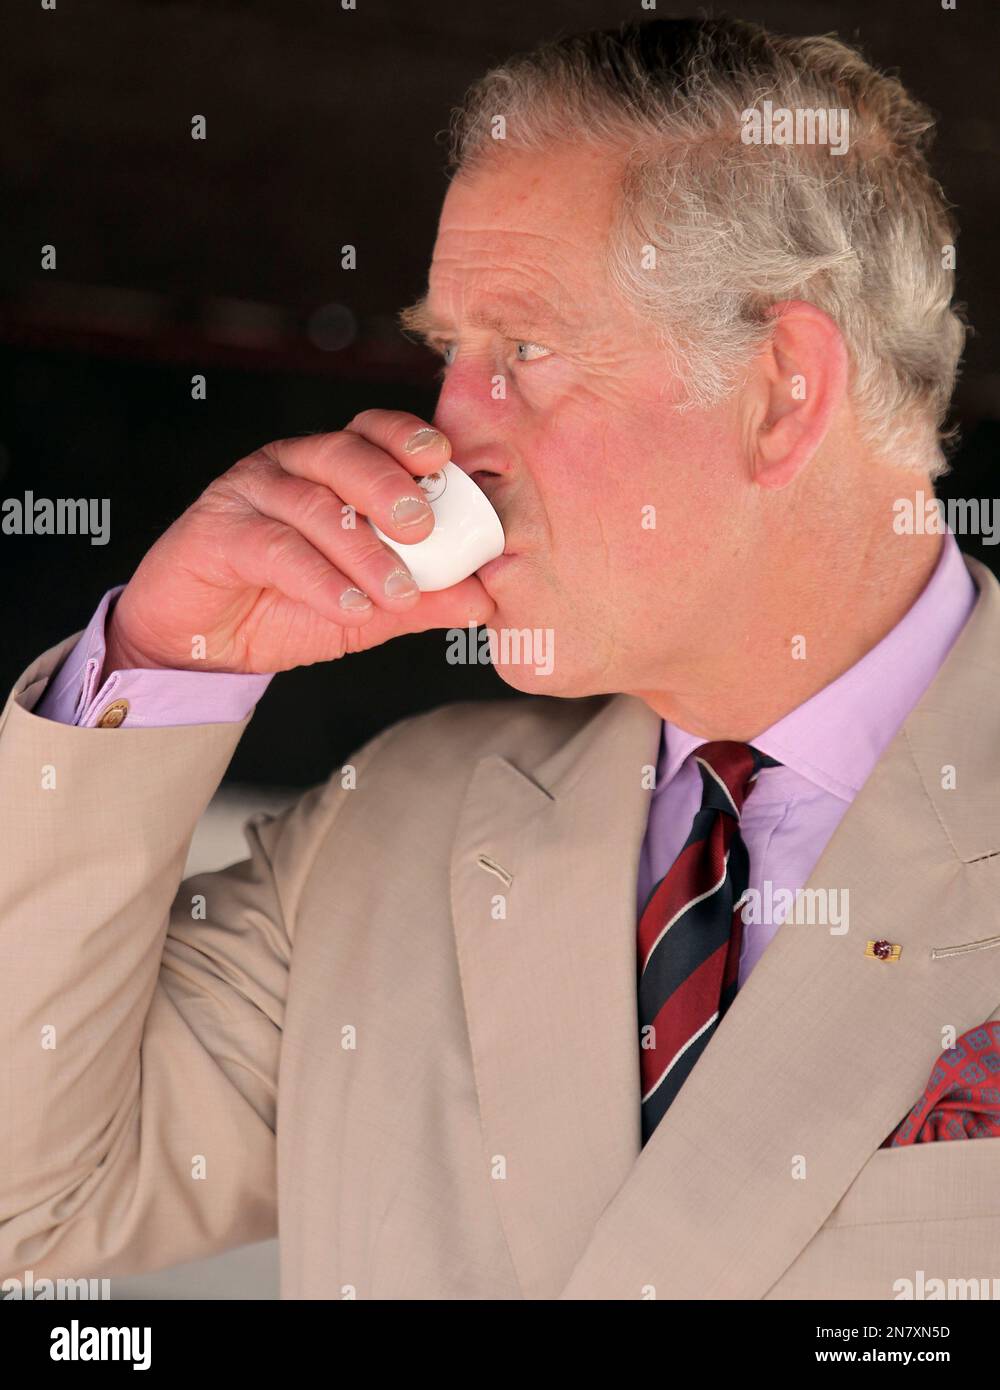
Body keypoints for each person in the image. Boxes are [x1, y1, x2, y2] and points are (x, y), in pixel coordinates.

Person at [2, 16, 997, 1301]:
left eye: (523, 350)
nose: (449, 428)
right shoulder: (385, 831)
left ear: (783, 391)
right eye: (446, 353)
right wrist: (157, 664)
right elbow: (31, 1206)